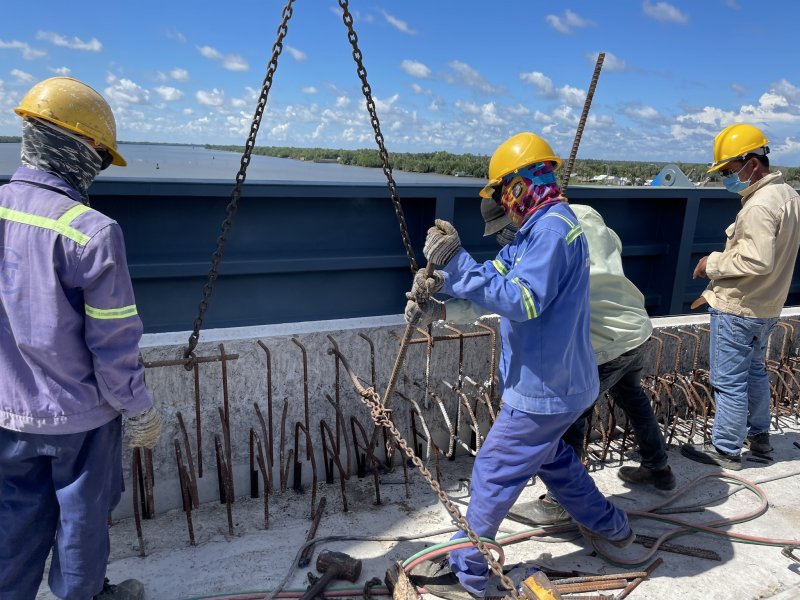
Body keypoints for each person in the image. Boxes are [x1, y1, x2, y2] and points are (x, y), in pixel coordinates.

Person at [407, 132, 633, 600]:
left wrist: (458, 261)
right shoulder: (541, 227)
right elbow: (499, 277)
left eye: (504, 193)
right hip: (564, 382)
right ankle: (613, 528)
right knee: (554, 461)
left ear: (519, 184)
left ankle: (466, 570)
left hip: (544, 389)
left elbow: (522, 300)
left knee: (493, 470)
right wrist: (444, 292)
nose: (504, 206)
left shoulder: (551, 231)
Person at [0, 77, 162, 600]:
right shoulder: (92, 232)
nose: (97, 163)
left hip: (7, 412)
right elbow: (113, 346)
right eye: (97, 151)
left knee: (14, 520)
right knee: (81, 526)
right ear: (74, 146)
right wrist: (138, 408)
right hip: (81, 421)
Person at [681, 124, 800, 470]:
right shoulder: (789, 196)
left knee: (728, 381)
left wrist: (711, 262)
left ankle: (727, 449)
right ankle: (759, 439)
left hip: (739, 307)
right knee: (755, 373)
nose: (728, 179)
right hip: (767, 306)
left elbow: (757, 259)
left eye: (730, 171)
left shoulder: (759, 206)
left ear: (751, 163)